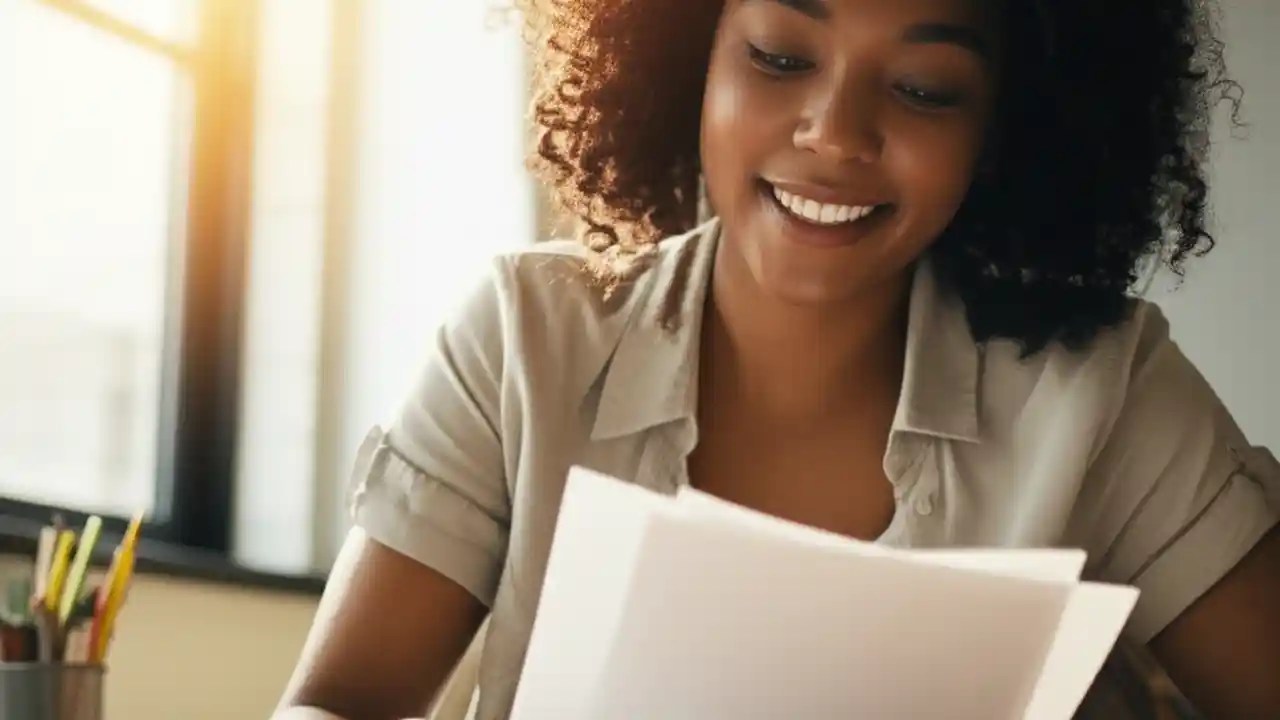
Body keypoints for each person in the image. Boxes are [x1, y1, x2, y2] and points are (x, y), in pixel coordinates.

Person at [276, 0, 1280, 718]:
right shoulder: (523, 337)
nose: (834, 132)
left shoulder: (1103, 388)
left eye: (924, 88)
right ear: (689, 56)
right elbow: (337, 704)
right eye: (777, 56)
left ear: (1006, 128)